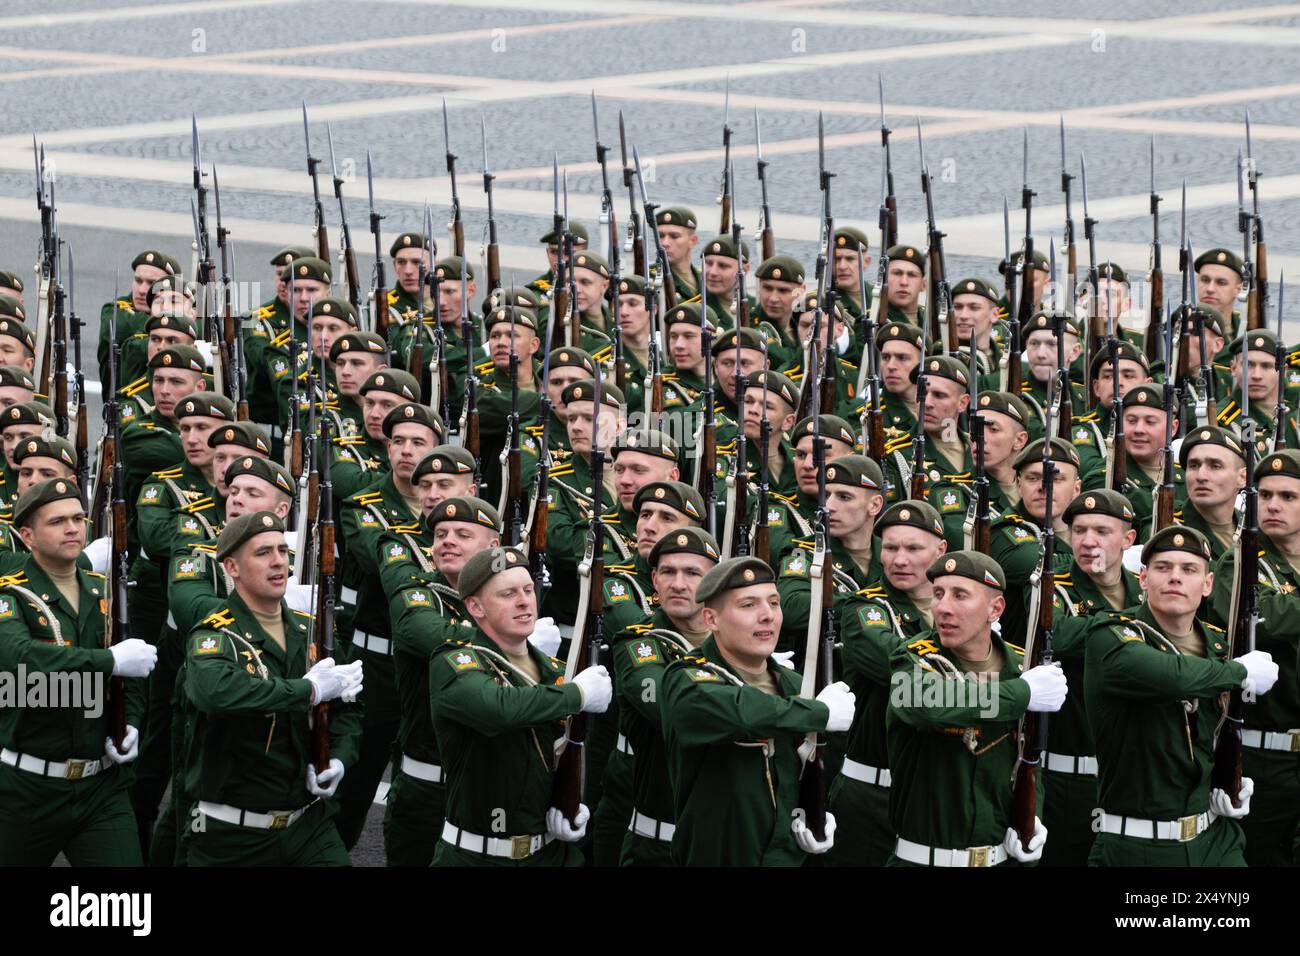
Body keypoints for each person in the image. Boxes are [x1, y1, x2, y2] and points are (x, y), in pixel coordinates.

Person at [1084, 525, 1278, 866]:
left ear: (1207, 585)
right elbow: (1170, 677)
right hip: (1138, 844)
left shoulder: (1220, 645)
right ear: (1142, 579)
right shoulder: (1112, 634)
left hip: (1215, 839)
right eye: (1162, 567)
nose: (1175, 577)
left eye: (1189, 570)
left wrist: (1229, 779)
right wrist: (1239, 672)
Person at [182, 511, 364, 866]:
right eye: (263, 553)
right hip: (233, 834)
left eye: (283, 550)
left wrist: (340, 757)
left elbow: (349, 708)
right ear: (232, 568)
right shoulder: (215, 635)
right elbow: (216, 694)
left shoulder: (311, 631)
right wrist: (306, 692)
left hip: (308, 826)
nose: (279, 561)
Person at [660, 556, 856, 866]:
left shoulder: (794, 686)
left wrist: (816, 811)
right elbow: (743, 711)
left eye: (774, 603)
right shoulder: (686, 678)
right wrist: (818, 712)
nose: (767, 616)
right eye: (748, 605)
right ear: (711, 620)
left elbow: (812, 767)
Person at [0, 479, 157, 865]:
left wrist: (131, 722)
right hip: (26, 787)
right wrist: (109, 663)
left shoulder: (102, 589)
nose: (72, 528)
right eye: (56, 522)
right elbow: (21, 659)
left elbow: (130, 670)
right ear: (27, 535)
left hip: (100, 787)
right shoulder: (9, 595)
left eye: (77, 518)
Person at [428, 546, 612, 866]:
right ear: (475, 606)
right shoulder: (454, 662)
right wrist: (577, 694)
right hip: (476, 856)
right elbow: (499, 709)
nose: (525, 601)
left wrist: (567, 802)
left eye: (528, 590)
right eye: (508, 593)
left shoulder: (553, 671)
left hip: (549, 854)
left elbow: (561, 749)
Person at [885, 551, 1067, 867]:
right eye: (938, 594)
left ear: (995, 609)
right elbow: (926, 703)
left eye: (960, 596)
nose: (942, 606)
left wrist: (1032, 817)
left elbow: (1028, 759)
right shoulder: (913, 659)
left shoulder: (1022, 666)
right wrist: (1022, 693)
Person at [829, 500, 947, 866]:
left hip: (933, 796)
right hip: (871, 794)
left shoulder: (961, 609)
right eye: (891, 547)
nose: (899, 560)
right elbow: (898, 669)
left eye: (913, 549)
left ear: (940, 550)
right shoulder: (864, 610)